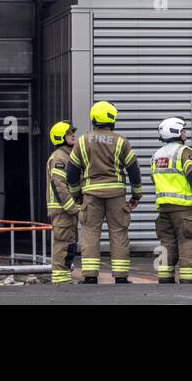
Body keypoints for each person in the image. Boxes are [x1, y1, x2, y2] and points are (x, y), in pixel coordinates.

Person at [66, 100, 141, 283]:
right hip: (116, 194)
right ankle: (121, 277)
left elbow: (72, 171)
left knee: (90, 232)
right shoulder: (121, 142)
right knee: (119, 232)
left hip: (91, 195)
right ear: (112, 119)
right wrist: (136, 195)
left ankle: (90, 277)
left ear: (93, 119)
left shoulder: (83, 141)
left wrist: (77, 195)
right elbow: (133, 169)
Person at [149, 116, 192, 284]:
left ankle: (164, 276)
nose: (185, 133)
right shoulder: (184, 152)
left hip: (163, 207)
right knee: (189, 240)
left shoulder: (156, 155)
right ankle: (188, 278)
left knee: (167, 241)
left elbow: (154, 179)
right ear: (176, 132)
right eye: (183, 130)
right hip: (184, 208)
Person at [44, 120, 81, 284]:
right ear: (60, 137)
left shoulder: (69, 155)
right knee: (63, 243)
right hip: (62, 209)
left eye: (73, 132)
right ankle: (60, 279)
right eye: (69, 133)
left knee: (69, 244)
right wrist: (72, 208)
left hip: (67, 209)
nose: (73, 135)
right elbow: (58, 184)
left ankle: (64, 276)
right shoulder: (59, 157)